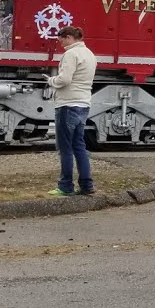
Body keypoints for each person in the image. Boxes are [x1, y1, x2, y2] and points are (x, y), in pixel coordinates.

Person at [45, 25, 98, 196]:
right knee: (79, 146)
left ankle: (65, 186)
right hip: (83, 104)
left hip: (68, 104)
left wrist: (52, 80)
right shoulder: (89, 54)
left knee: (65, 148)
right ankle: (87, 185)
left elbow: (65, 79)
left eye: (60, 39)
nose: (60, 43)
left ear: (68, 37)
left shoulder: (70, 54)